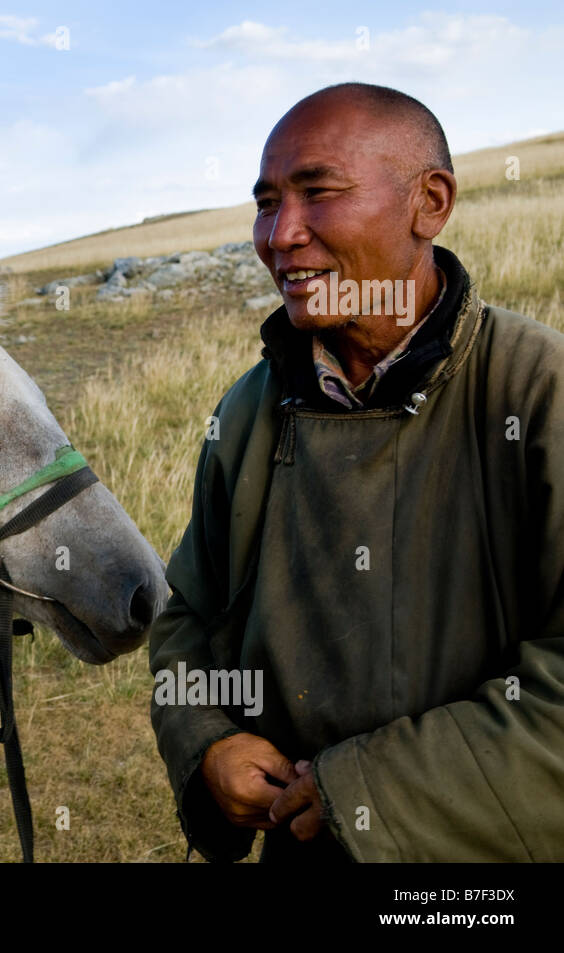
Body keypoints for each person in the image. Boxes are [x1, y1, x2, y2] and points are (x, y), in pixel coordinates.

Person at [148, 82, 564, 862]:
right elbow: (188, 618)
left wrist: (363, 793)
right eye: (267, 203)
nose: (281, 234)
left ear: (429, 203)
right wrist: (207, 740)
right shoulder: (248, 410)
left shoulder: (539, 393)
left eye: (317, 193)